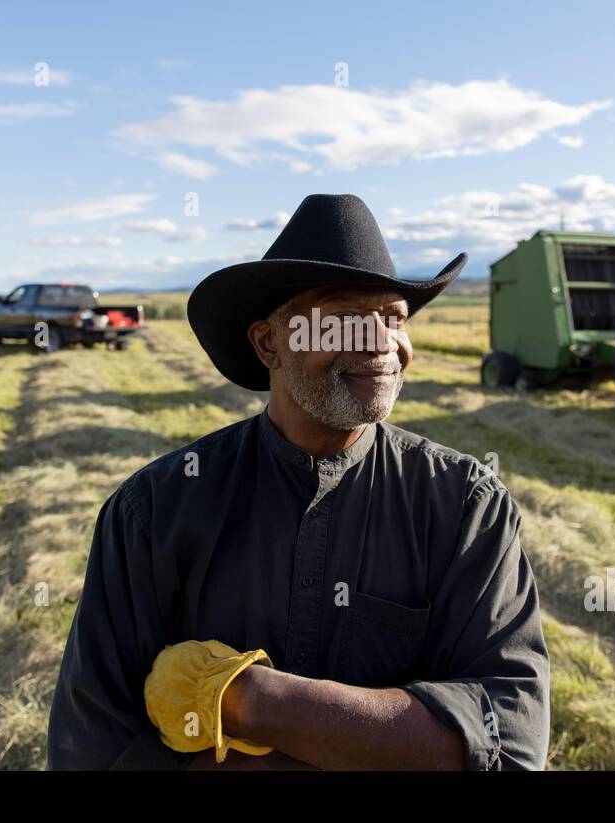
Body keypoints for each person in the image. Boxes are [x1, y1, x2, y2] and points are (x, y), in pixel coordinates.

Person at [47, 193, 551, 770]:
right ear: (269, 344)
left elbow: (509, 738)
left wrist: (249, 700)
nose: (383, 344)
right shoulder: (155, 511)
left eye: (394, 318)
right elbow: (91, 746)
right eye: (343, 320)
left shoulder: (466, 506)